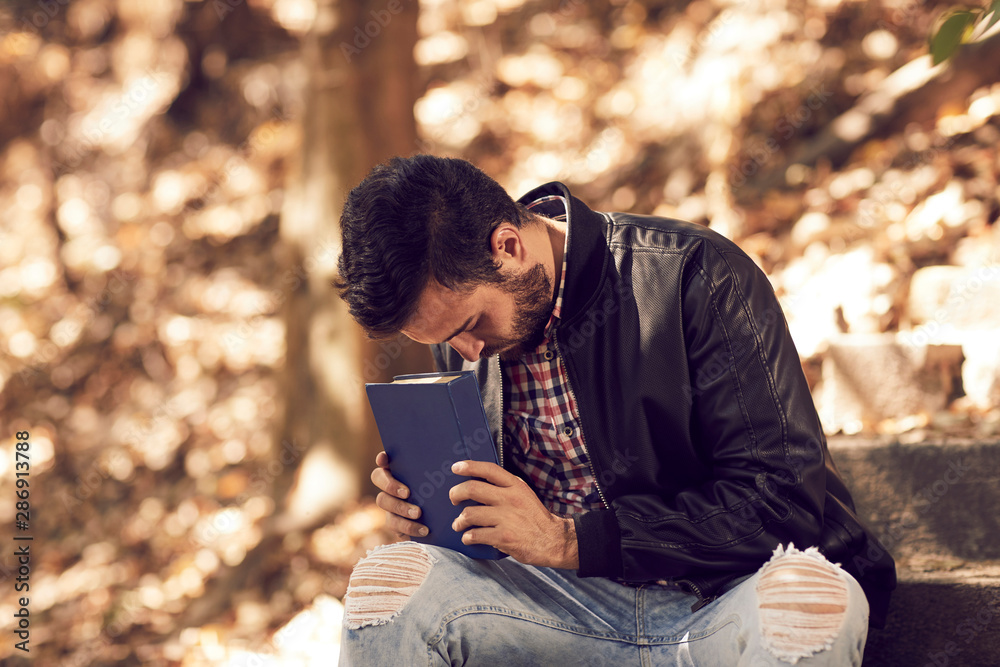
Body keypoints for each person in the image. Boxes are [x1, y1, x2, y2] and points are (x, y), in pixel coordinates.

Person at [334, 155, 896, 666]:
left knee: (813, 602)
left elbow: (781, 500)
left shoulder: (694, 274)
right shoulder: (469, 325)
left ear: (507, 246)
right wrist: (435, 508)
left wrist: (571, 540)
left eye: (470, 325)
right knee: (389, 585)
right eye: (445, 339)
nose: (467, 352)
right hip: (563, 614)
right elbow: (498, 532)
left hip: (724, 602)